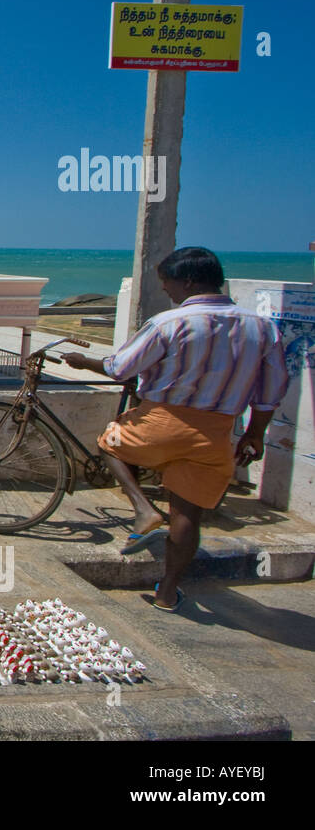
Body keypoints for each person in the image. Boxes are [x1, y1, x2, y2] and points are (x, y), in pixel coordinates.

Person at [63, 247, 288, 613]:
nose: (166, 289)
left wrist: (84, 361)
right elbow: (270, 392)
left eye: (166, 282)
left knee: (109, 443)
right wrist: (255, 434)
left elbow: (121, 367)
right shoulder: (261, 328)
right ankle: (167, 591)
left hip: (161, 422)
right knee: (188, 515)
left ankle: (143, 509)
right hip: (216, 433)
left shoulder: (169, 323)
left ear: (186, 280)